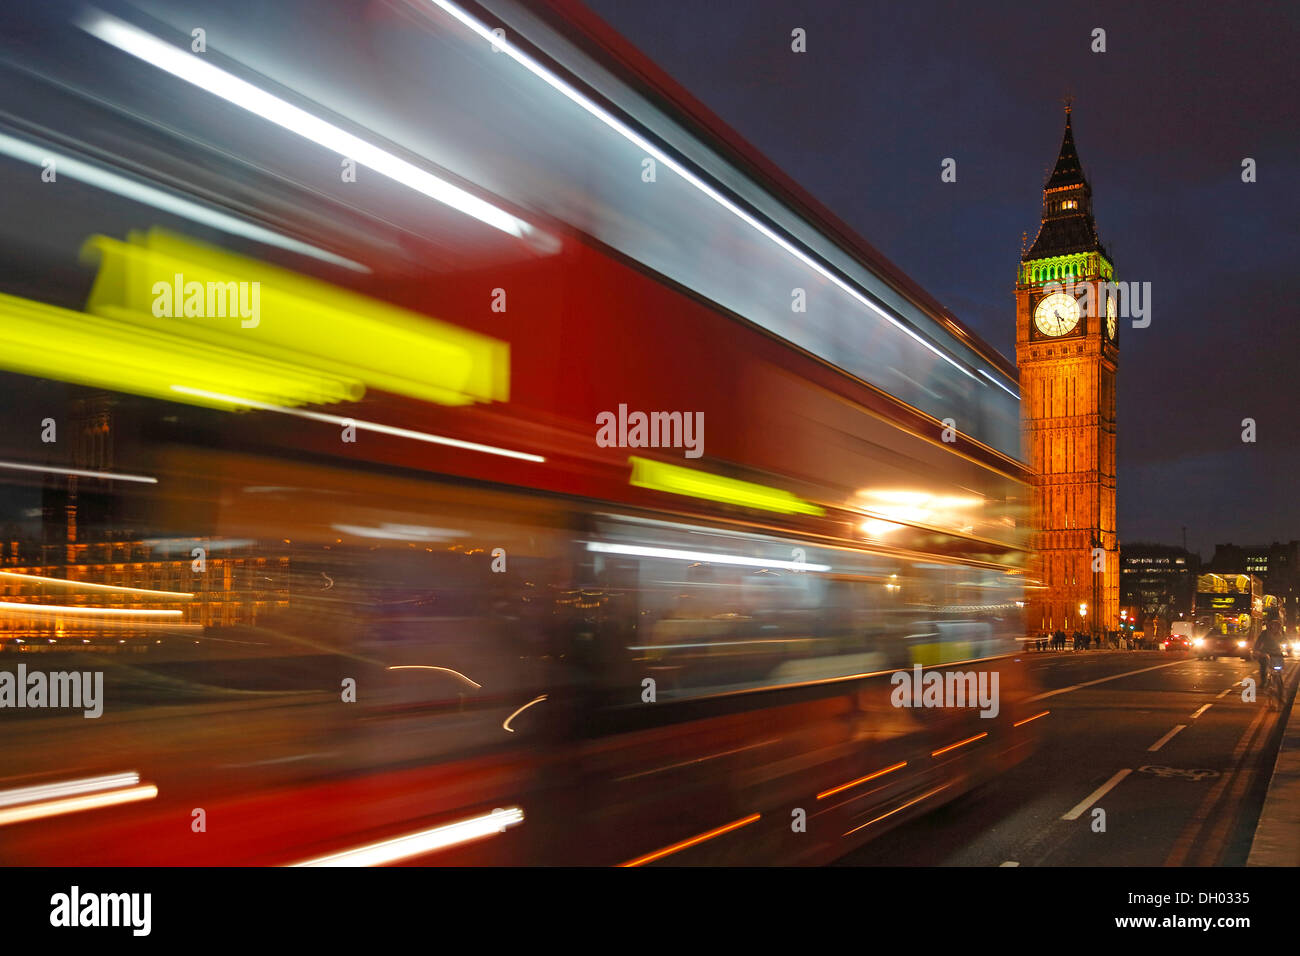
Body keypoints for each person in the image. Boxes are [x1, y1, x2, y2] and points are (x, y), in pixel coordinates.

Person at [1254, 619, 1285, 695]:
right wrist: (1257, 650)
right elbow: (1258, 643)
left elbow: (1287, 641)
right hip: (1265, 653)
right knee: (1264, 667)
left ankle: (1279, 680)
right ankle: (1263, 682)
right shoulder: (1264, 633)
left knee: (1279, 667)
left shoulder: (1282, 633)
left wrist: (1289, 650)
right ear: (1271, 626)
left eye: (1278, 626)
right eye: (1274, 626)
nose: (1276, 628)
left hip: (1277, 653)